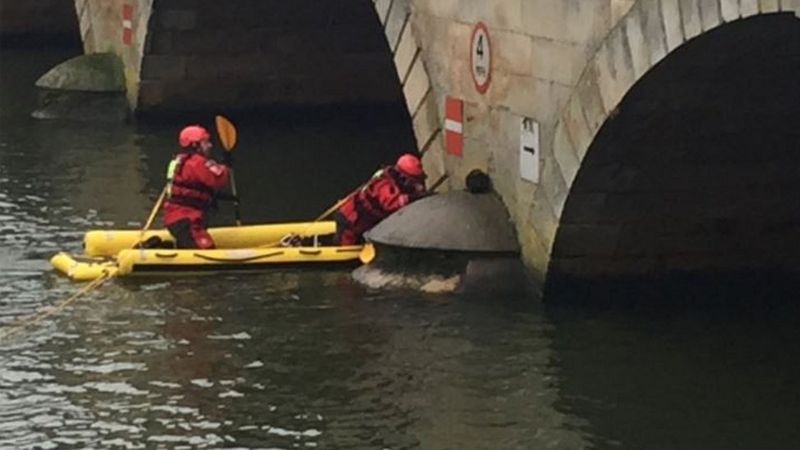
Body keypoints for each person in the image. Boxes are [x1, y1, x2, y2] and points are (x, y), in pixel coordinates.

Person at [162, 124, 232, 249]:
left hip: (178, 218)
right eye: (206, 142)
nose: (210, 145)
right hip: (187, 219)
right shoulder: (197, 163)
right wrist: (226, 165)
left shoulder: (179, 161)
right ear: (195, 145)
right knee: (207, 250)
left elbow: (194, 186)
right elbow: (219, 179)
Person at [334, 153, 427, 245]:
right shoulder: (384, 186)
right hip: (353, 219)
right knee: (346, 242)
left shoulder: (391, 178)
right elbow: (391, 203)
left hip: (361, 217)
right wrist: (414, 197)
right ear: (403, 177)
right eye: (413, 181)